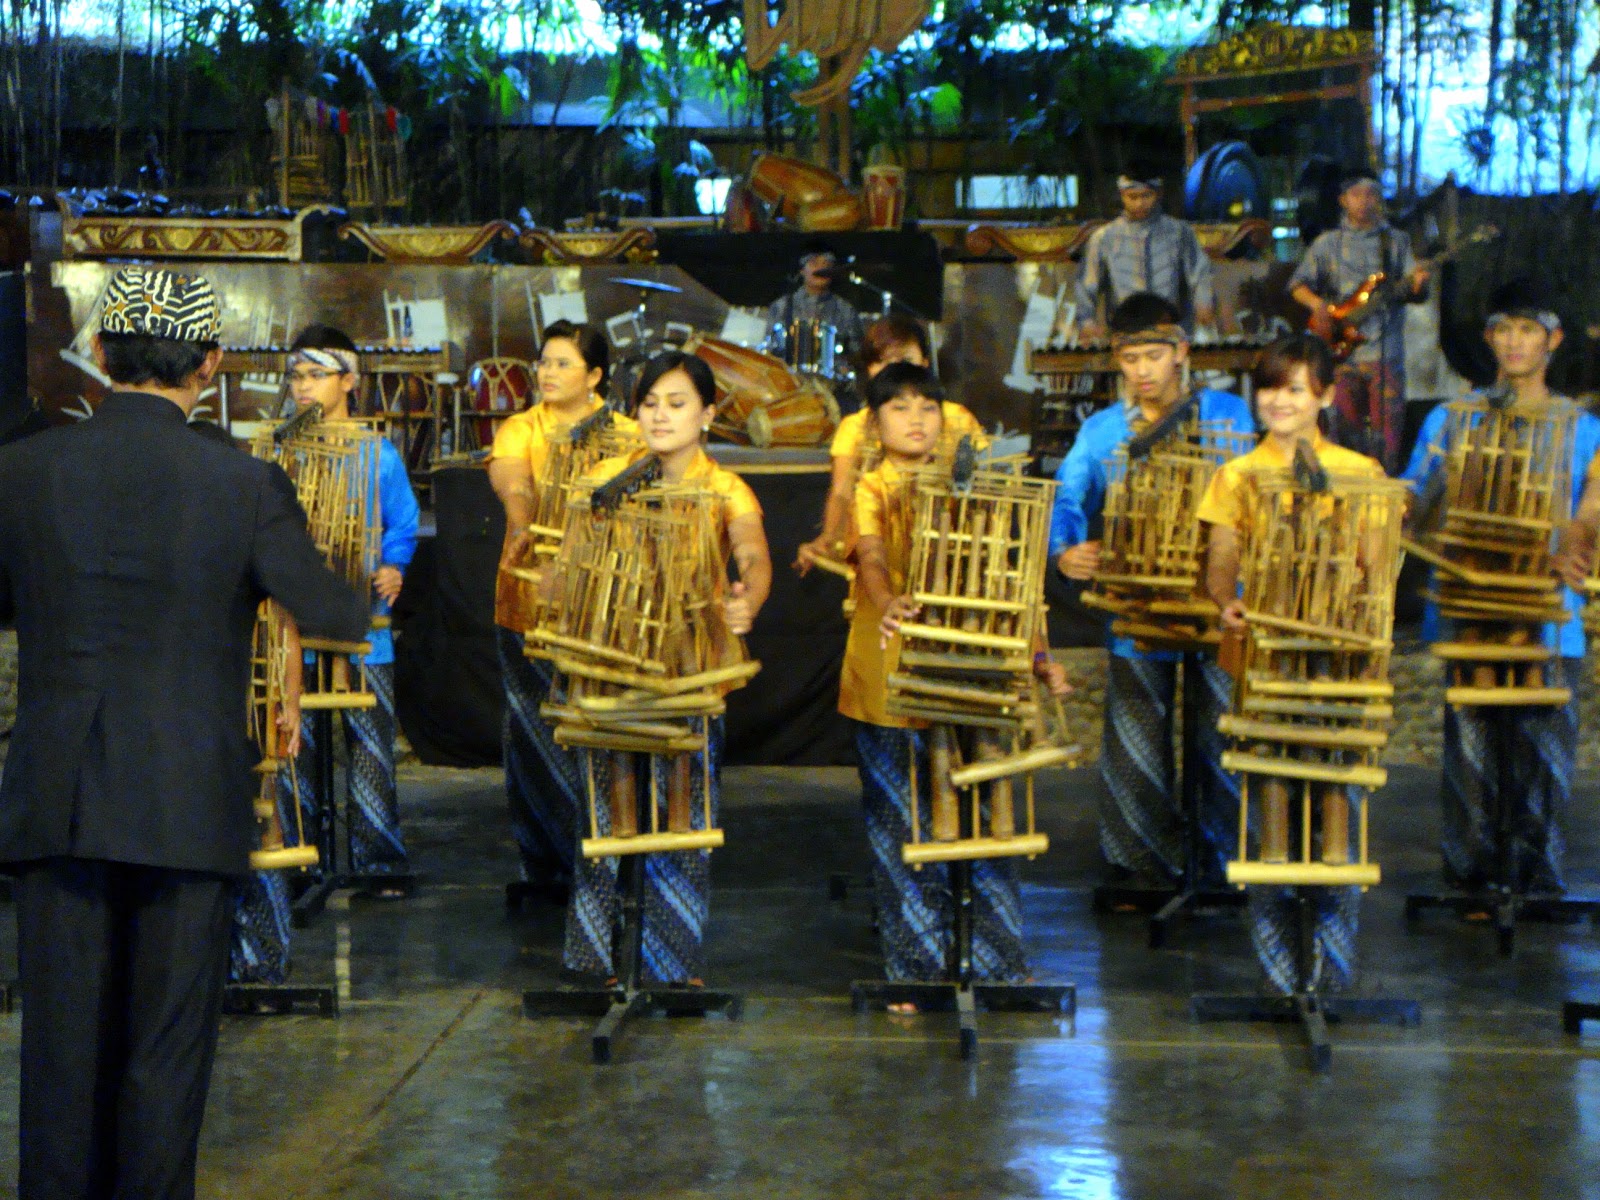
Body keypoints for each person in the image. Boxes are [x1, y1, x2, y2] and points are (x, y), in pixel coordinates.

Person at [0, 266, 369, 1198]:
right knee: (164, 1055)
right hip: (184, 800)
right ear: (209, 363)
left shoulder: (22, 470)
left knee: (58, 1055)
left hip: (59, 797)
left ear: (98, 354)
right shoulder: (242, 482)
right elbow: (332, 611)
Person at [846, 362, 1069, 1000]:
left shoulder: (980, 482)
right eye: (899, 408)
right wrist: (888, 598)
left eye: (927, 407)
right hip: (892, 678)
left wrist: (1038, 657)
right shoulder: (875, 486)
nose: (916, 420)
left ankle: (998, 959)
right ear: (875, 422)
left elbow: (1018, 582)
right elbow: (870, 556)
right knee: (903, 825)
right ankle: (914, 970)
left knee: (989, 817)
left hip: (976, 672)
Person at [562, 351, 771, 985]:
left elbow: (752, 552)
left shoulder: (724, 487)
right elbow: (569, 556)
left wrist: (748, 598)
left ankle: (671, 962)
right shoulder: (604, 476)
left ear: (707, 415)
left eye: (677, 404)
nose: (660, 415)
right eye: (650, 402)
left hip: (689, 669)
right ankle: (599, 959)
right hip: (608, 664)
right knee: (605, 811)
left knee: (685, 811)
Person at [229, 324, 420, 985]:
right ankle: (303, 857)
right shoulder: (276, 455)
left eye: (315, 373)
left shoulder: (377, 453)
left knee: (370, 744)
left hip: (362, 621)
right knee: (294, 737)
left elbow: (400, 523)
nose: (301, 385)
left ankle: (377, 859)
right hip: (290, 628)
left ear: (348, 381)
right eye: (295, 375)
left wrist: (394, 566)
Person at [1198, 333, 1387, 993]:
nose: (1280, 401)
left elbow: (1373, 566)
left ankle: (1330, 971)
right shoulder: (1237, 475)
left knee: (1337, 800)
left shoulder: (1360, 475)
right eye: (1271, 387)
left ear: (1327, 397)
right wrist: (1228, 601)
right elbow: (1221, 555)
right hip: (1261, 660)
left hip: (1336, 664)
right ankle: (1281, 972)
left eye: (1296, 389)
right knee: (1268, 799)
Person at [1050, 292, 1254, 891]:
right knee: (1137, 731)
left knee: (1223, 732)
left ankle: (1221, 865)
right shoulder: (1102, 429)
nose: (1142, 371)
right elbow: (1068, 493)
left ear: (1181, 353)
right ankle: (1138, 867)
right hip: (1137, 607)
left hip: (1218, 606)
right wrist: (1066, 550)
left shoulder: (1230, 415)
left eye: (1154, 356)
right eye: (1131, 358)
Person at [1405, 278, 1599, 896]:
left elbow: (1593, 501)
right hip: (1470, 604)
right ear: (1489, 339)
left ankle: (1536, 877)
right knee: (1473, 745)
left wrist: (1576, 538)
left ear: (1553, 340)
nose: (1515, 342)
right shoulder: (1451, 417)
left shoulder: (1582, 426)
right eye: (1503, 330)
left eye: (1528, 330)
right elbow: (1416, 493)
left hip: (1548, 613)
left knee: (1543, 748)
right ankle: (1473, 875)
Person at [487, 321, 638, 895]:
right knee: (532, 728)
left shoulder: (628, 435)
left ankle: (603, 861)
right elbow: (513, 480)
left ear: (596, 376)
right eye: (544, 362)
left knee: (598, 725)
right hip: (527, 600)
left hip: (602, 607)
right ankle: (545, 866)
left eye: (562, 364)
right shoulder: (521, 428)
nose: (547, 373)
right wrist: (524, 524)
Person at [794, 313, 987, 576]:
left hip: (947, 553)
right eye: (883, 362)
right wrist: (829, 538)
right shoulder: (856, 426)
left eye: (906, 360)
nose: (895, 371)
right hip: (878, 548)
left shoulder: (958, 419)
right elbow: (841, 491)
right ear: (869, 370)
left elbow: (983, 486)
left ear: (925, 363)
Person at [1290, 168, 1432, 473]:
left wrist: (1418, 285)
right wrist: (1321, 307)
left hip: (1386, 353)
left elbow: (1414, 292)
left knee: (1388, 434)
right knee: (1342, 431)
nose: (1364, 201)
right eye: (1356, 194)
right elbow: (1297, 286)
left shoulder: (1396, 242)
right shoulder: (1326, 244)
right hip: (1341, 355)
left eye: (1371, 194)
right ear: (1343, 200)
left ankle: (1385, 494)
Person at [1075, 167, 1216, 341]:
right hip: (1124, 332)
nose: (1139, 203)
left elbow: (1200, 272)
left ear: (1158, 194)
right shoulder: (1104, 238)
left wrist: (1203, 302)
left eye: (1146, 196)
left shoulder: (1179, 233)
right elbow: (1087, 284)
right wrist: (1086, 320)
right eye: (1132, 197)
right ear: (1122, 195)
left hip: (1172, 331)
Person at [766, 246, 864, 363]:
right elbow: (770, 346)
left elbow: (856, 350)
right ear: (802, 271)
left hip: (831, 376)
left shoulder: (845, 309)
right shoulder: (781, 306)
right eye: (814, 264)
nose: (821, 268)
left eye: (826, 264)